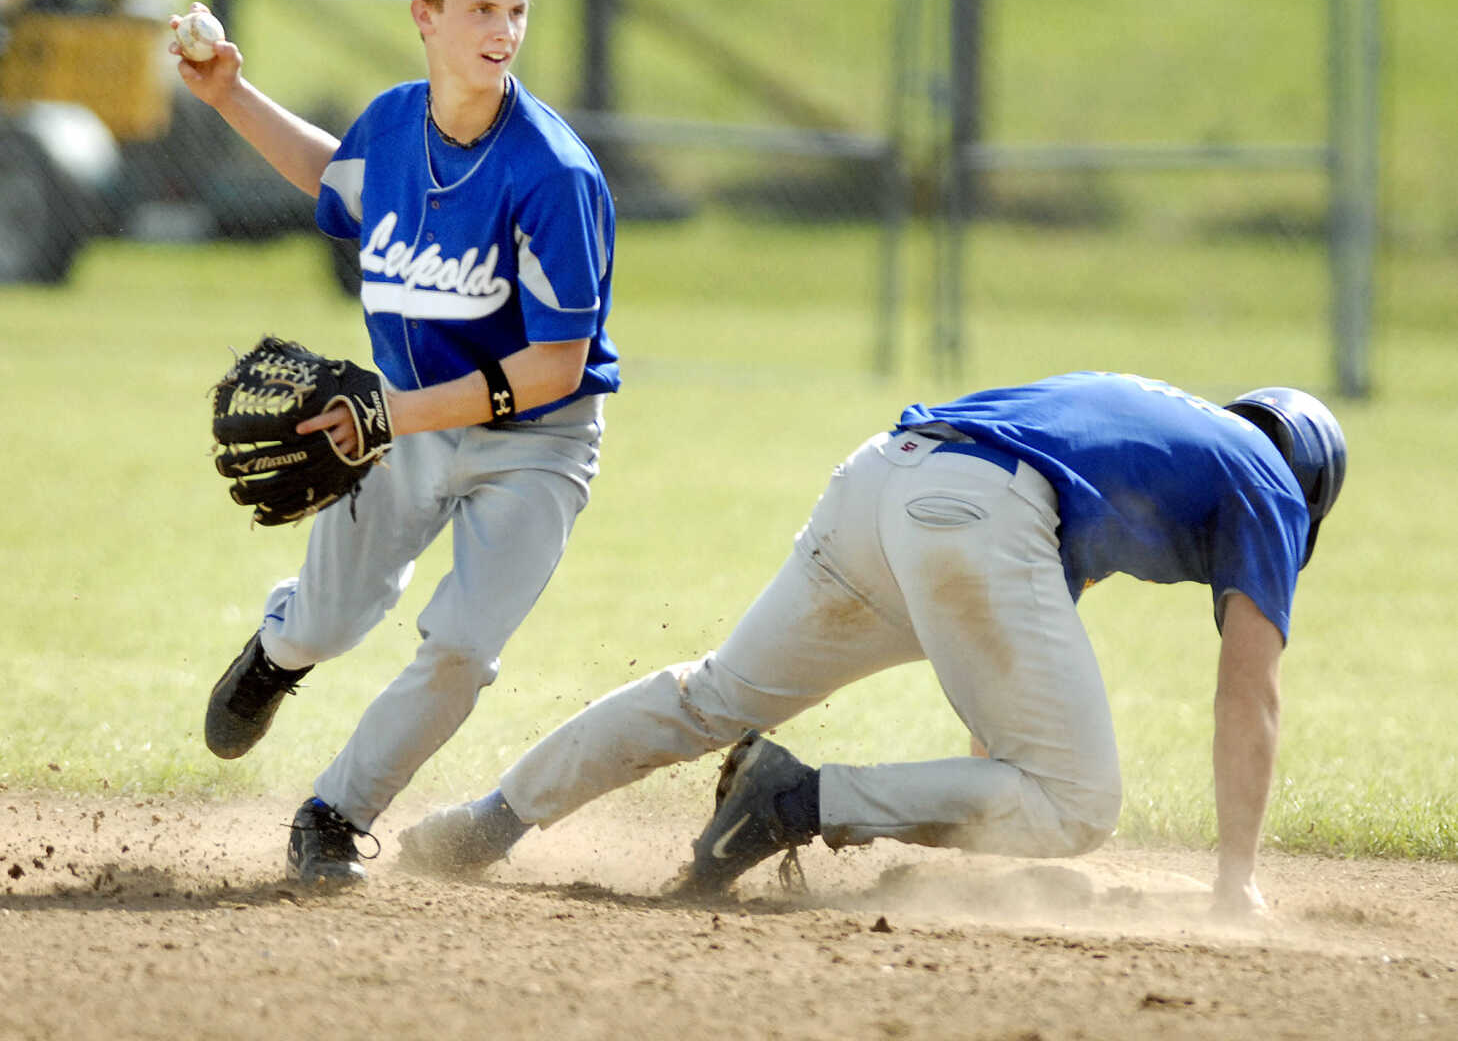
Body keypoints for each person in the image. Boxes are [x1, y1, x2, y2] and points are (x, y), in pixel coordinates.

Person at [398, 372, 1345, 918]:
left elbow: (1002, 691)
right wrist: (1235, 882)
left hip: (891, 477)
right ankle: (794, 801)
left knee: (717, 694)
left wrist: (993, 825)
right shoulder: (1269, 482)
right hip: (976, 507)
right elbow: (1250, 693)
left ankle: (489, 822)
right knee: (1082, 804)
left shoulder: (1157, 435)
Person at [173, 0, 619, 883]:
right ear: (425, 17)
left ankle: (333, 815)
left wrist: (387, 416)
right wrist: (230, 93)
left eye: (517, 10)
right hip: (407, 418)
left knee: (463, 648)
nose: (502, 30)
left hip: (534, 443)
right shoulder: (392, 124)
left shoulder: (552, 173)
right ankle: (280, 648)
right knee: (332, 622)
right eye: (480, 10)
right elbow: (333, 178)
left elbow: (555, 364)